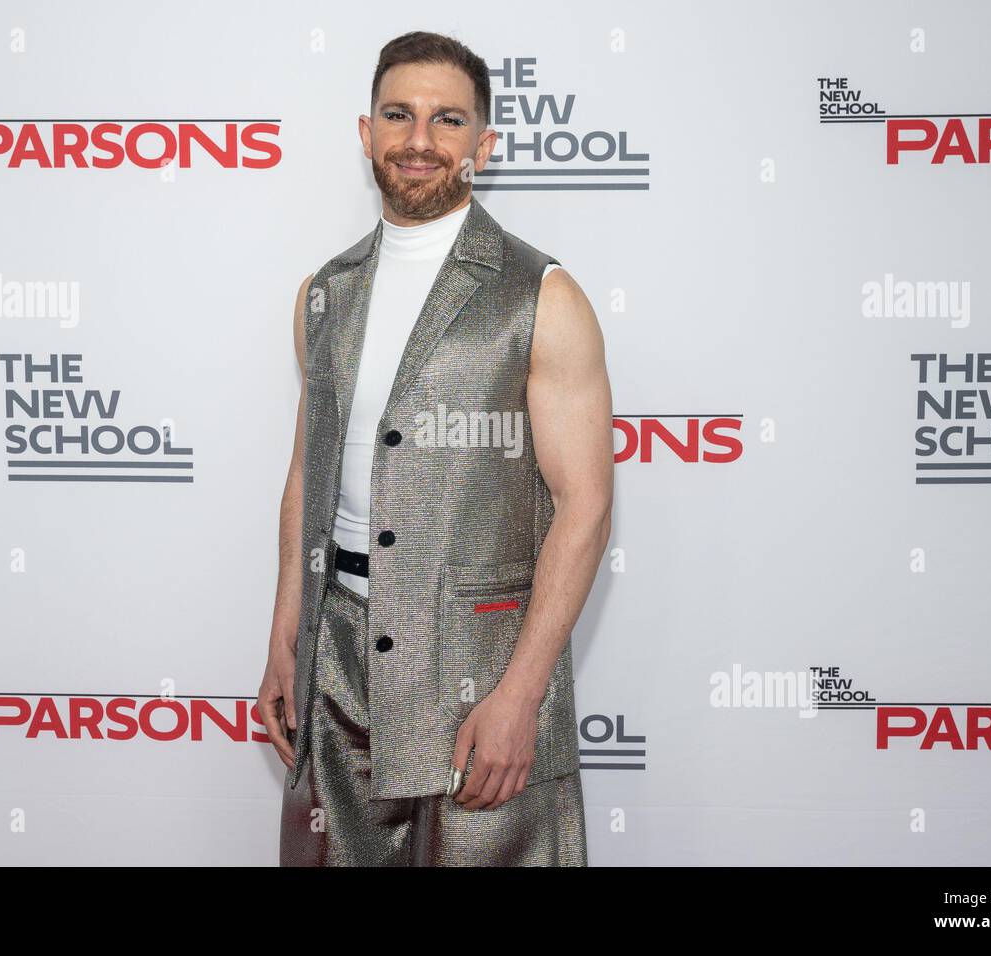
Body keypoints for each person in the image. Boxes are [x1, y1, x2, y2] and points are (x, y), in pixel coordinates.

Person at [257, 30, 613, 866]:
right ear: (365, 132)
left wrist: (521, 694)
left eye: (447, 120)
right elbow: (308, 474)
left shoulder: (542, 295)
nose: (419, 140)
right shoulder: (324, 294)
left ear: (483, 145)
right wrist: (287, 635)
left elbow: (586, 508)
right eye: (399, 115)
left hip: (481, 666)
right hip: (335, 659)